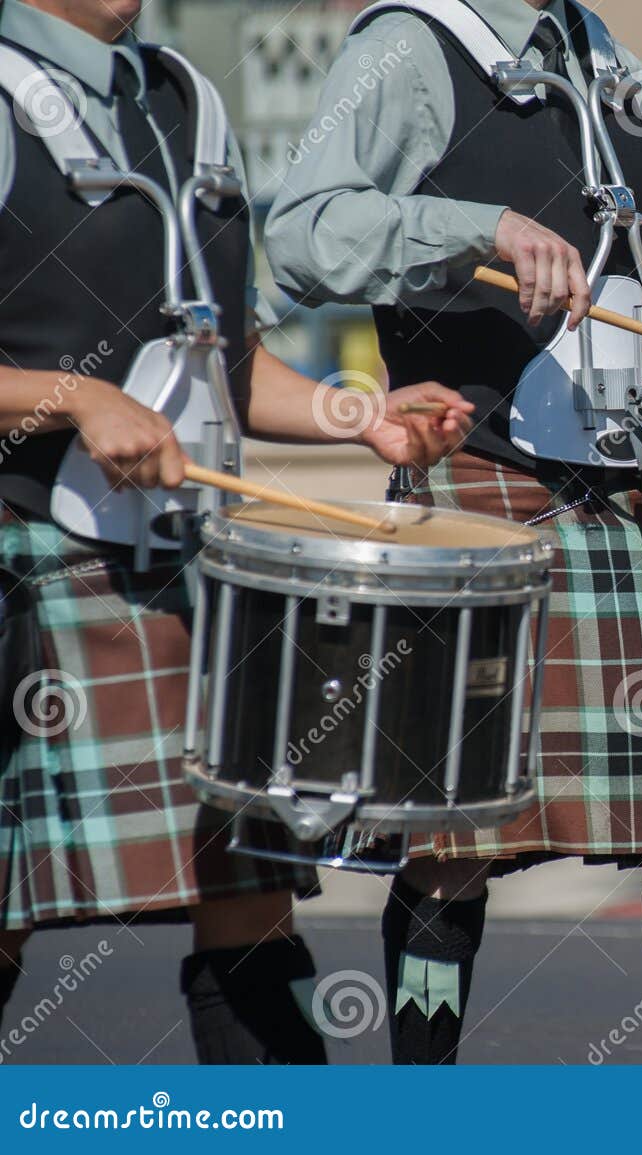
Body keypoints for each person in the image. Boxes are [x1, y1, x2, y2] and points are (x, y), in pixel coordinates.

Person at [265, 0, 642, 1065]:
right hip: (480, 486)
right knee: (455, 836)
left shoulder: (607, 61)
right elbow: (303, 235)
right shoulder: (411, 45)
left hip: (636, 499)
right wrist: (479, 227)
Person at [0, 0, 473, 1063]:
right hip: (29, 566)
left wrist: (361, 416)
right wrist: (74, 399)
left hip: (191, 572)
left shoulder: (184, 101)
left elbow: (226, 360)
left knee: (250, 894)